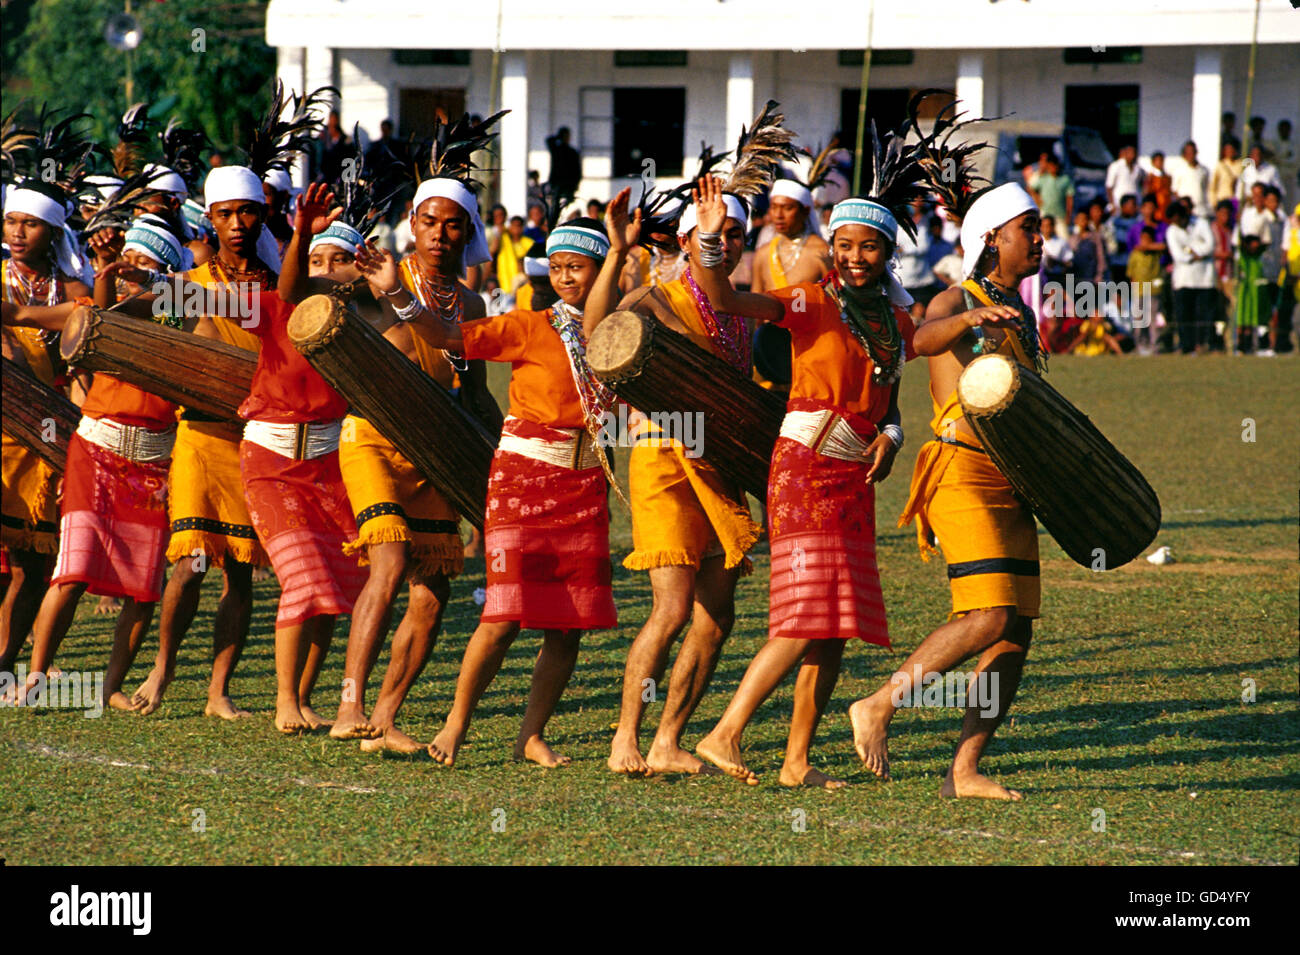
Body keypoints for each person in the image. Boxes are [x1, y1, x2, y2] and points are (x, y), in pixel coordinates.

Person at [356, 216, 621, 768]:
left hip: (584, 484)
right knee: (502, 615)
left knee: (567, 627)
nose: (568, 278)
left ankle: (531, 736)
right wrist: (397, 292)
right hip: (523, 480)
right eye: (561, 268)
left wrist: (621, 251)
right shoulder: (527, 325)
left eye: (581, 268)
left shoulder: (621, 331)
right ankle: (456, 724)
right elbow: (447, 337)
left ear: (603, 271)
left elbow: (602, 343)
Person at [688, 156, 919, 788]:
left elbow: (891, 398)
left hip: (854, 477)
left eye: (867, 247)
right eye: (843, 245)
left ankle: (796, 762)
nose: (853, 257)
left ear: (886, 251)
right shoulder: (809, 300)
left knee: (836, 629)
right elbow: (726, 296)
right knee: (807, 615)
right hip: (804, 470)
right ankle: (724, 732)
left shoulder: (895, 321)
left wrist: (893, 435)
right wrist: (712, 239)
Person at [851, 180, 1046, 801]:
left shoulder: (1022, 309)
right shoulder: (952, 299)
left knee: (1015, 630)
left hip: (1012, 479)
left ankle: (963, 771)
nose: (1039, 239)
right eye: (1029, 228)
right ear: (994, 238)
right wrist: (967, 317)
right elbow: (922, 341)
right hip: (960, 473)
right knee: (986, 614)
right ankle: (878, 704)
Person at [587, 185, 762, 777]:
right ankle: (625, 738)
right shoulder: (653, 294)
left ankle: (668, 740)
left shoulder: (739, 310)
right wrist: (617, 253)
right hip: (661, 455)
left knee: (718, 612)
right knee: (672, 607)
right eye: (715, 234)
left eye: (737, 234)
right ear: (687, 241)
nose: (729, 244)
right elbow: (595, 335)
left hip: (719, 462)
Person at [332, 161, 502, 750]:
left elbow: (477, 395)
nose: (439, 234)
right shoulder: (376, 280)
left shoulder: (473, 306)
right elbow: (308, 295)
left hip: (437, 452)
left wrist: (502, 463)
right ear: (412, 222)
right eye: (428, 221)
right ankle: (348, 707)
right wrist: (322, 244)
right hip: (370, 439)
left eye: (452, 225)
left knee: (434, 593)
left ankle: (383, 717)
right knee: (391, 560)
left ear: (467, 232)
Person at [2, 213, 185, 708]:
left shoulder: (185, 320)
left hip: (154, 459)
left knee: (143, 587)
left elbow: (170, 301)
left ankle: (113, 687)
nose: (132, 273)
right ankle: (36, 678)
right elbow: (18, 316)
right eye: (129, 264)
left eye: (144, 265)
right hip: (96, 449)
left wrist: (140, 283)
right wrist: (105, 279)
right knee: (73, 572)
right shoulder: (92, 310)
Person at [131, 164, 280, 720]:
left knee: (240, 571)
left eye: (247, 213)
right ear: (210, 221)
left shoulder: (275, 287)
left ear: (261, 215)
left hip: (253, 438)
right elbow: (143, 338)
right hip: (197, 435)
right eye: (225, 215)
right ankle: (164, 666)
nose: (237, 224)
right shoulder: (189, 288)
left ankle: (219, 691)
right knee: (191, 562)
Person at [238, 183, 370, 734]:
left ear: (358, 269)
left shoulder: (365, 324)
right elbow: (291, 287)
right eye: (317, 258)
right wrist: (302, 233)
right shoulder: (277, 304)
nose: (326, 268)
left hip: (329, 466)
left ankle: (307, 699)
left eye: (339, 260)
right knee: (305, 581)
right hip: (270, 461)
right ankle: (283, 703)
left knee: (339, 587)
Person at [0, 150, 93, 675]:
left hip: (49, 436)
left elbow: (86, 361)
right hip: (3, 433)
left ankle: (7, 661)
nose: (17, 231)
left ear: (53, 231)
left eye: (30, 223)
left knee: (34, 564)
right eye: (12, 220)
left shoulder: (75, 291)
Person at [750, 178, 832, 293]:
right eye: (774, 207)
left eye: (787, 208)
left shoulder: (821, 252)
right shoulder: (763, 254)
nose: (778, 215)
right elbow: (755, 303)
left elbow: (834, 302)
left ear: (805, 211)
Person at [1166, 200, 1217, 354]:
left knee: (1205, 314)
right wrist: (1197, 252)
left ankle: (1206, 344)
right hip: (1184, 279)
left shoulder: (1201, 223)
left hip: (1205, 279)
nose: (1176, 223)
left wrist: (1191, 251)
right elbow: (1178, 255)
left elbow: (1211, 245)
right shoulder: (1172, 231)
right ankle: (1186, 346)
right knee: (1184, 315)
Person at [1027, 153, 1073, 232]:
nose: (1053, 168)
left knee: (1064, 238)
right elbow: (1030, 188)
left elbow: (1069, 199)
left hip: (1060, 216)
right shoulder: (1043, 178)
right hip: (1045, 214)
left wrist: (1068, 215)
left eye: (1055, 165)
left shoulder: (1065, 179)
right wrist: (1037, 199)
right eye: (1051, 165)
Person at [1169, 141, 1210, 218]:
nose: (1190, 155)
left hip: (1200, 209)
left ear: (1196, 152)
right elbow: (1174, 191)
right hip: (1184, 211)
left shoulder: (1204, 170)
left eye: (1192, 152)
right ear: (1184, 154)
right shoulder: (1179, 170)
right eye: (1188, 153)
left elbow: (1206, 189)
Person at [495, 216, 532, 295]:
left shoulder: (529, 243)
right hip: (504, 284)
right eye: (514, 225)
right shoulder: (503, 239)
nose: (516, 229)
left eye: (519, 226)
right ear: (510, 226)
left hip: (521, 285)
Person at [1105, 144, 1145, 214]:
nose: (1132, 155)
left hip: (1135, 202)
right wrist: (1112, 204)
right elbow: (1109, 187)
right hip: (1118, 201)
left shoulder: (1138, 169)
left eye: (1134, 153)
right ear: (1125, 154)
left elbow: (1142, 184)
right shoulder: (1115, 166)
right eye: (1130, 153)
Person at [545, 126, 582, 199]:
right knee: (555, 205)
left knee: (567, 206)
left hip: (569, 184)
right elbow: (548, 140)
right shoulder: (556, 149)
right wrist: (558, 137)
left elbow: (577, 170)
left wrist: (576, 184)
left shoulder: (572, 152)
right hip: (557, 183)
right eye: (565, 136)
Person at [1210, 141, 1243, 211]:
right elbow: (1213, 186)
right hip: (1222, 199)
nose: (1229, 152)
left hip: (1235, 200)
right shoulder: (1220, 165)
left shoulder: (1241, 165)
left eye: (1231, 149)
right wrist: (1214, 202)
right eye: (1227, 150)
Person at [1146, 152, 1172, 218]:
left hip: (1166, 204)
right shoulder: (1150, 177)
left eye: (1161, 160)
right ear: (1153, 162)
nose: (1160, 163)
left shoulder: (1167, 177)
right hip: (1157, 205)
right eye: (1158, 160)